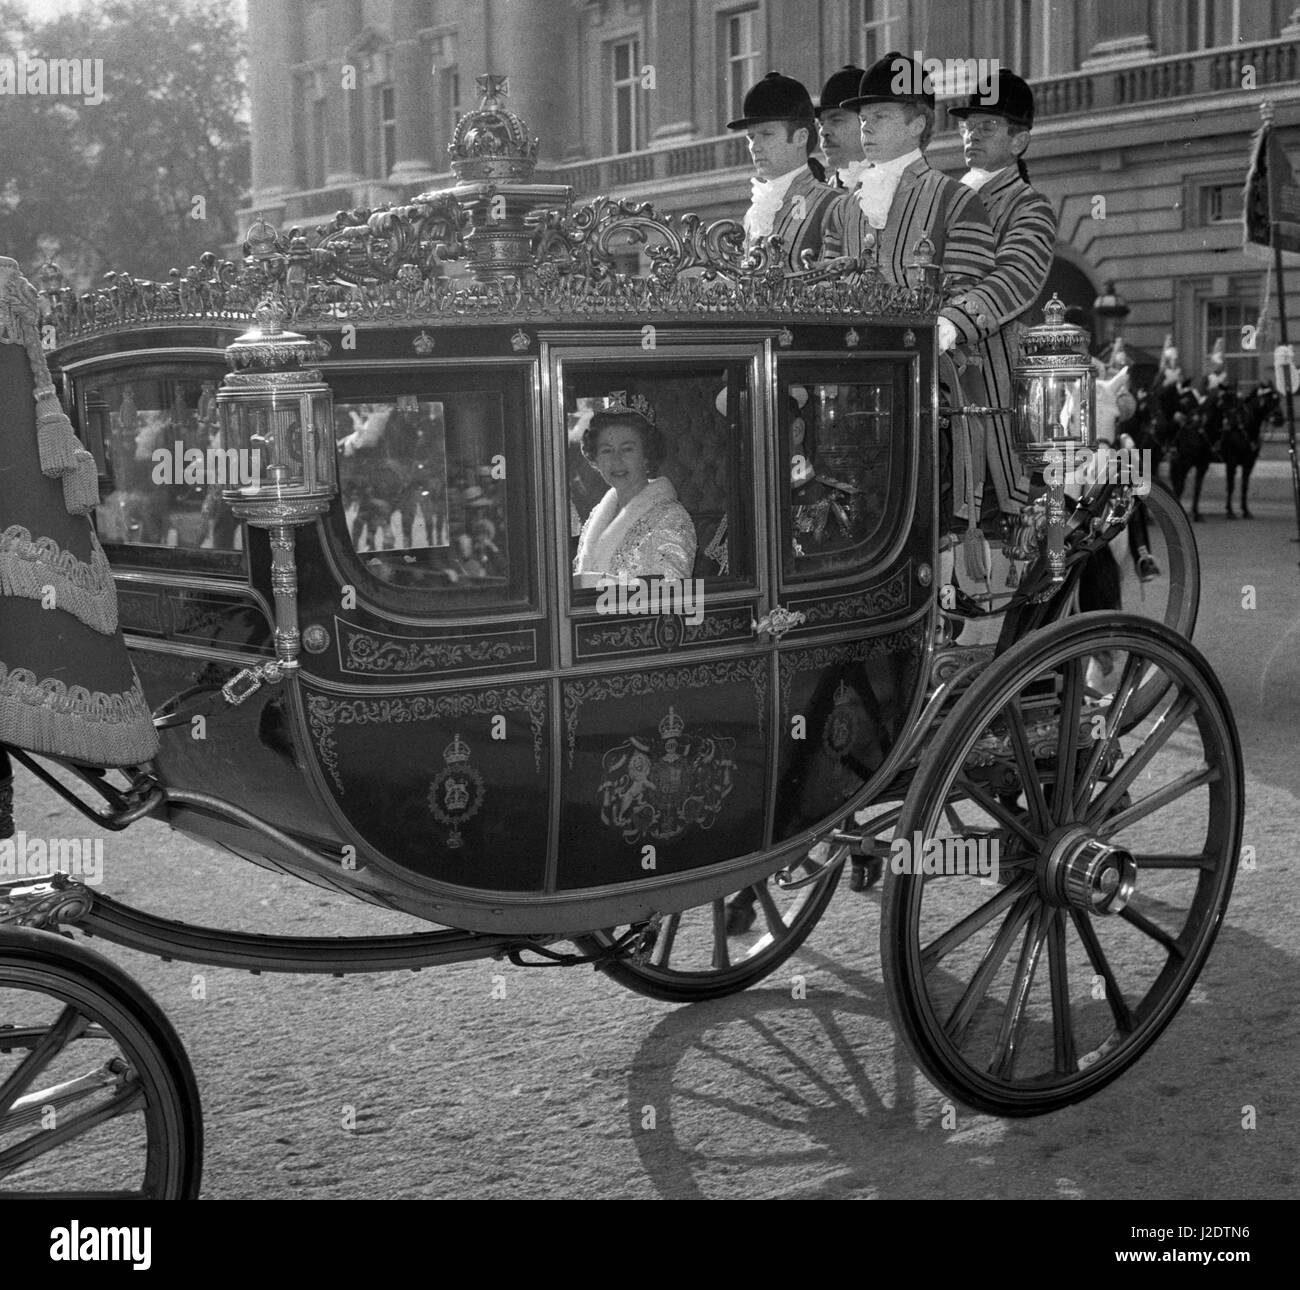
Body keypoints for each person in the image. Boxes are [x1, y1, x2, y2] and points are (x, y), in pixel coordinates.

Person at [943, 68, 1057, 525]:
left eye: (986, 126)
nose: (971, 134)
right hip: (933, 366)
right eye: (967, 125)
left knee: (989, 508)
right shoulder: (942, 198)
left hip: (991, 376)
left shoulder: (1029, 206)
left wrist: (951, 322)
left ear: (1019, 141)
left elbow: (1015, 277)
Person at [572, 396, 696, 588]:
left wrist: (595, 584)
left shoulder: (672, 517)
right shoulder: (597, 514)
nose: (616, 461)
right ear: (595, 459)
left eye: (627, 449)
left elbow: (673, 590)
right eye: (606, 451)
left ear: (646, 456)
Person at [728, 71, 840, 272]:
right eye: (751, 137)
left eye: (767, 134)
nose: (755, 146)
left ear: (800, 137)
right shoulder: (753, 214)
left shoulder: (833, 204)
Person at [815, 66, 870, 192]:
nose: (824, 131)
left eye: (836, 120)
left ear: (866, 121)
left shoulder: (896, 187)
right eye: (821, 123)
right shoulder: (823, 195)